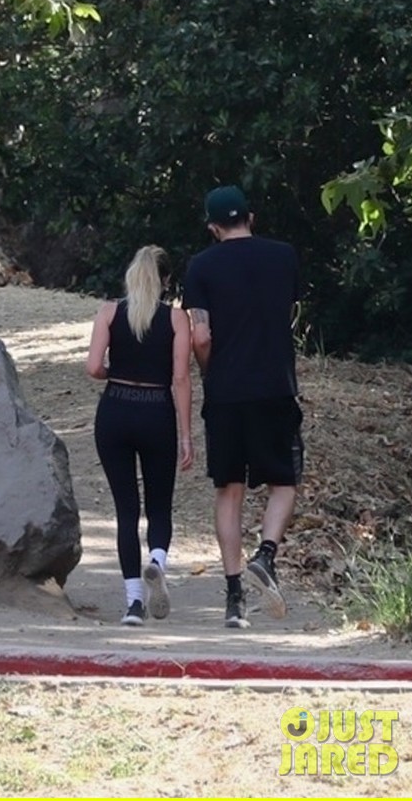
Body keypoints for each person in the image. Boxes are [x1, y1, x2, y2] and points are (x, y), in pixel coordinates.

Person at [182, 185, 303, 629]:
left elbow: (200, 336)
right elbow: (286, 311)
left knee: (228, 490)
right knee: (283, 483)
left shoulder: (201, 266)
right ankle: (266, 555)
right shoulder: (284, 256)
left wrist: (211, 372)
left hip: (227, 393)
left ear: (213, 227)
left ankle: (234, 599)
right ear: (251, 217)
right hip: (275, 386)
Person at [86, 245, 194, 626]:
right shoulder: (177, 320)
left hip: (114, 410)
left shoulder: (109, 312)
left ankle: (133, 604)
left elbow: (94, 366)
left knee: (126, 511)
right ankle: (157, 561)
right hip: (156, 411)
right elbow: (181, 378)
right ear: (166, 281)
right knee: (160, 504)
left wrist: (113, 373)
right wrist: (186, 434)